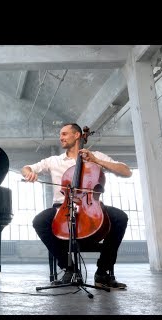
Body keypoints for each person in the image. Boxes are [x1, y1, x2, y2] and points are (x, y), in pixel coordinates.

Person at [21, 123, 132, 289]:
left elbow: (126, 171)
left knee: (120, 217)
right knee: (39, 221)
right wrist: (28, 173)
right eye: (60, 135)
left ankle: (102, 272)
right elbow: (27, 168)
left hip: (91, 205)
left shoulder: (95, 156)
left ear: (77, 135)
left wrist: (96, 161)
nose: (61, 138)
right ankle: (68, 268)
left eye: (65, 134)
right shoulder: (54, 161)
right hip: (62, 208)